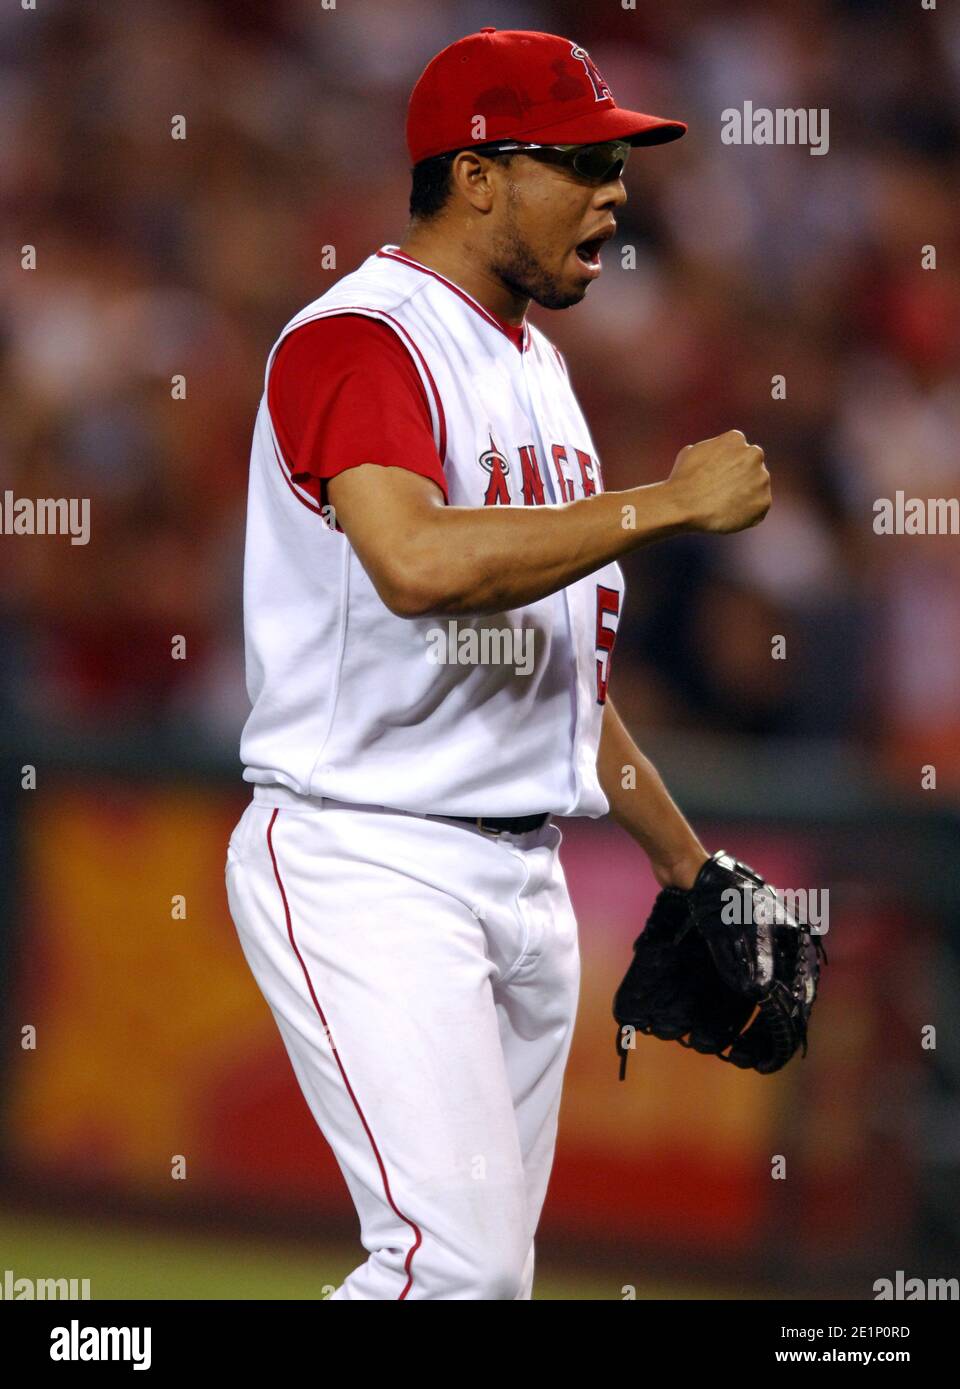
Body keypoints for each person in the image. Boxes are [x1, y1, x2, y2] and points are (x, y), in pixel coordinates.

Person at [224, 27, 770, 1301]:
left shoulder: (537, 368)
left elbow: (560, 672)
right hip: (372, 854)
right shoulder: (359, 339)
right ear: (476, 175)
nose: (614, 192)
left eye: (616, 163)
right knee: (452, 1270)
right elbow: (414, 561)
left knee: (489, 1286)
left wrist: (684, 859)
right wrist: (666, 505)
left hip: (524, 878)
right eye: (581, 161)